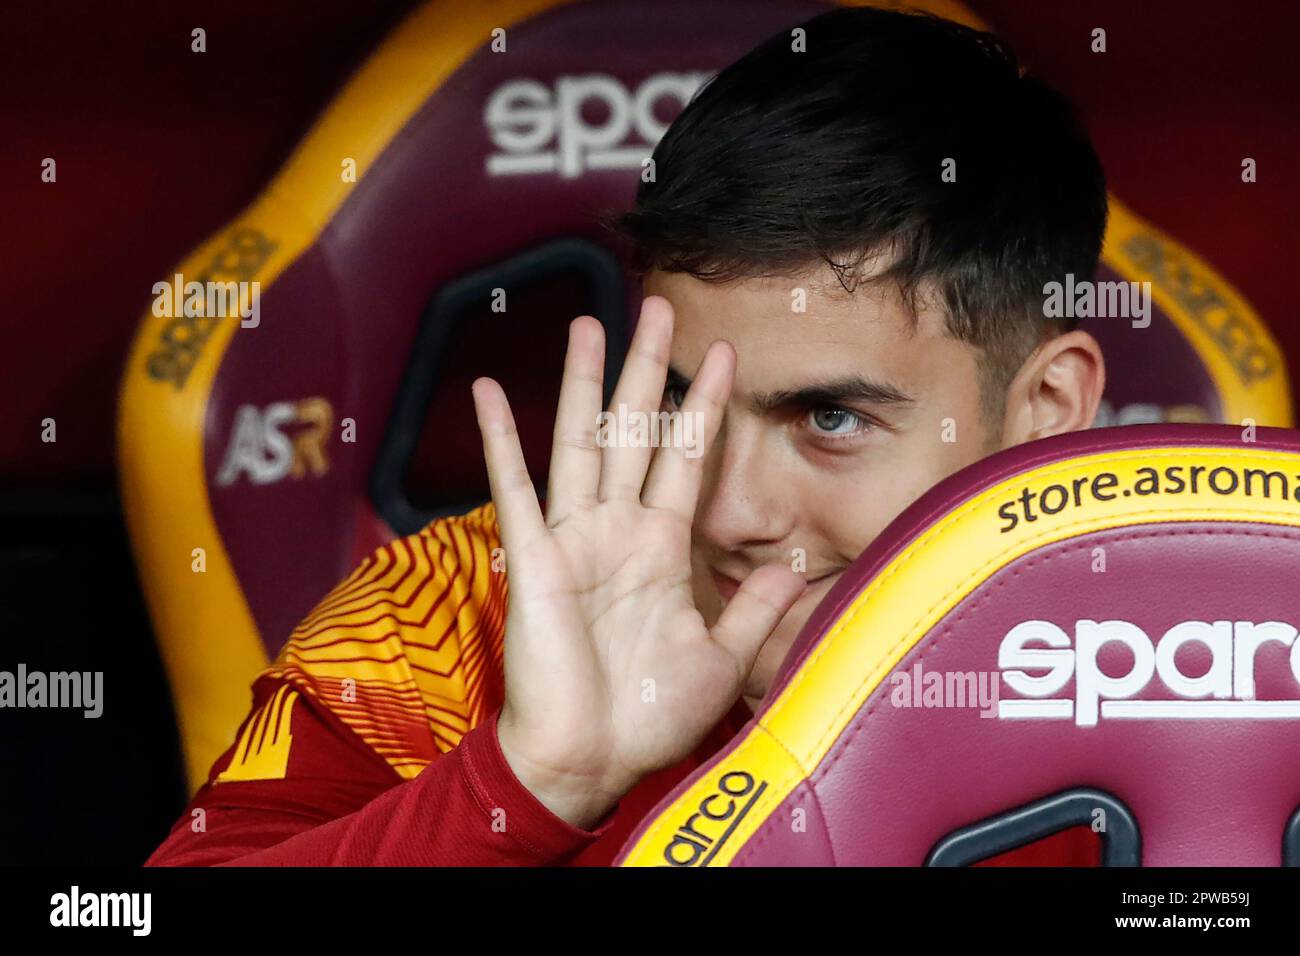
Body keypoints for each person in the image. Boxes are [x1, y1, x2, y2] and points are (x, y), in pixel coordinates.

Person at [148, 6, 1106, 866]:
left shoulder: (1188, 645)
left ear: (1045, 410)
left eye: (829, 419)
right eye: (682, 402)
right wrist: (529, 784)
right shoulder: (458, 603)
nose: (727, 515)